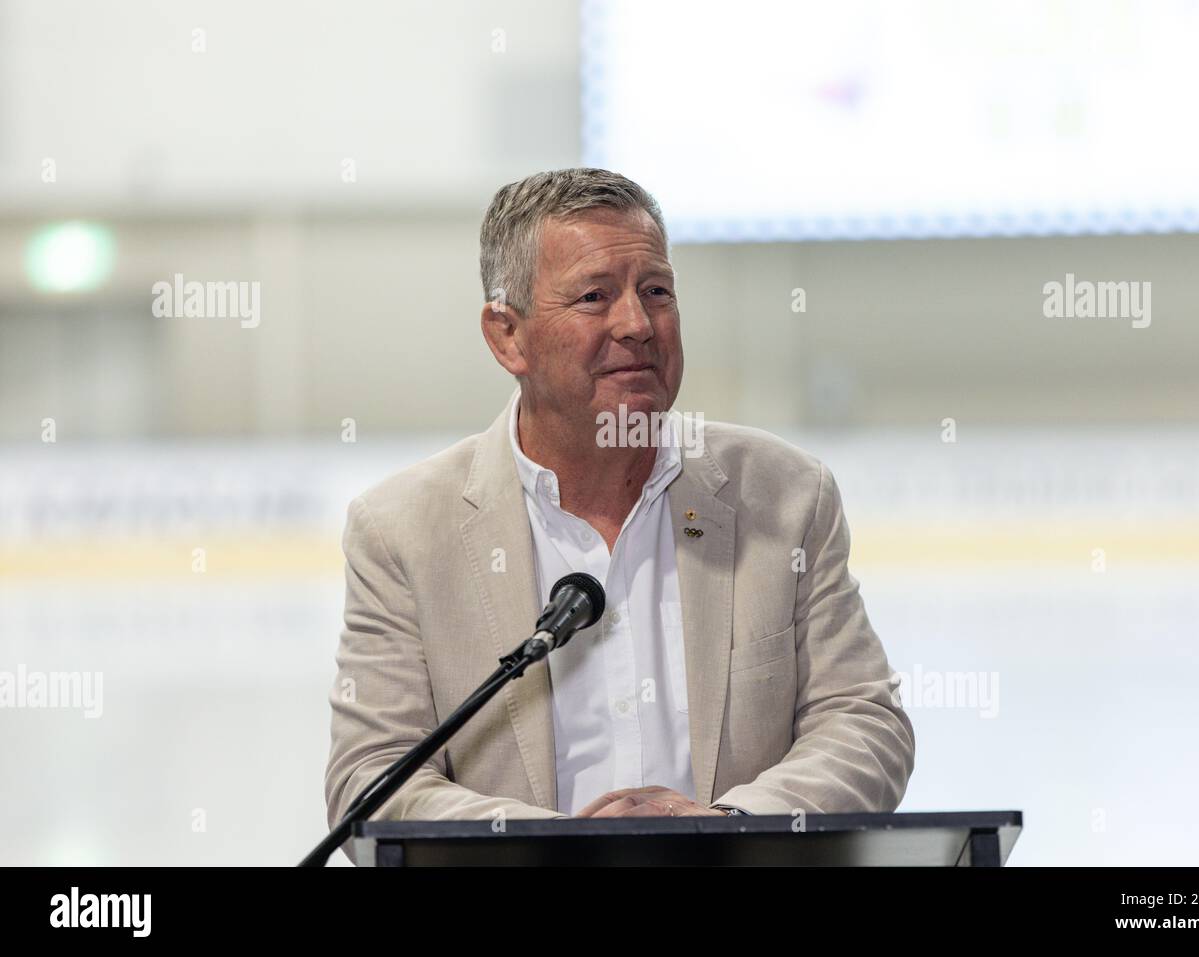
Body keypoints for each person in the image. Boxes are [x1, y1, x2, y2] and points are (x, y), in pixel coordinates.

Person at [325, 168, 914, 856]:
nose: (636, 324)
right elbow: (372, 777)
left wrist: (727, 826)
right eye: (595, 296)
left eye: (656, 291)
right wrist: (570, 851)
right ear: (506, 335)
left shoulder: (786, 496)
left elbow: (864, 721)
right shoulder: (401, 530)